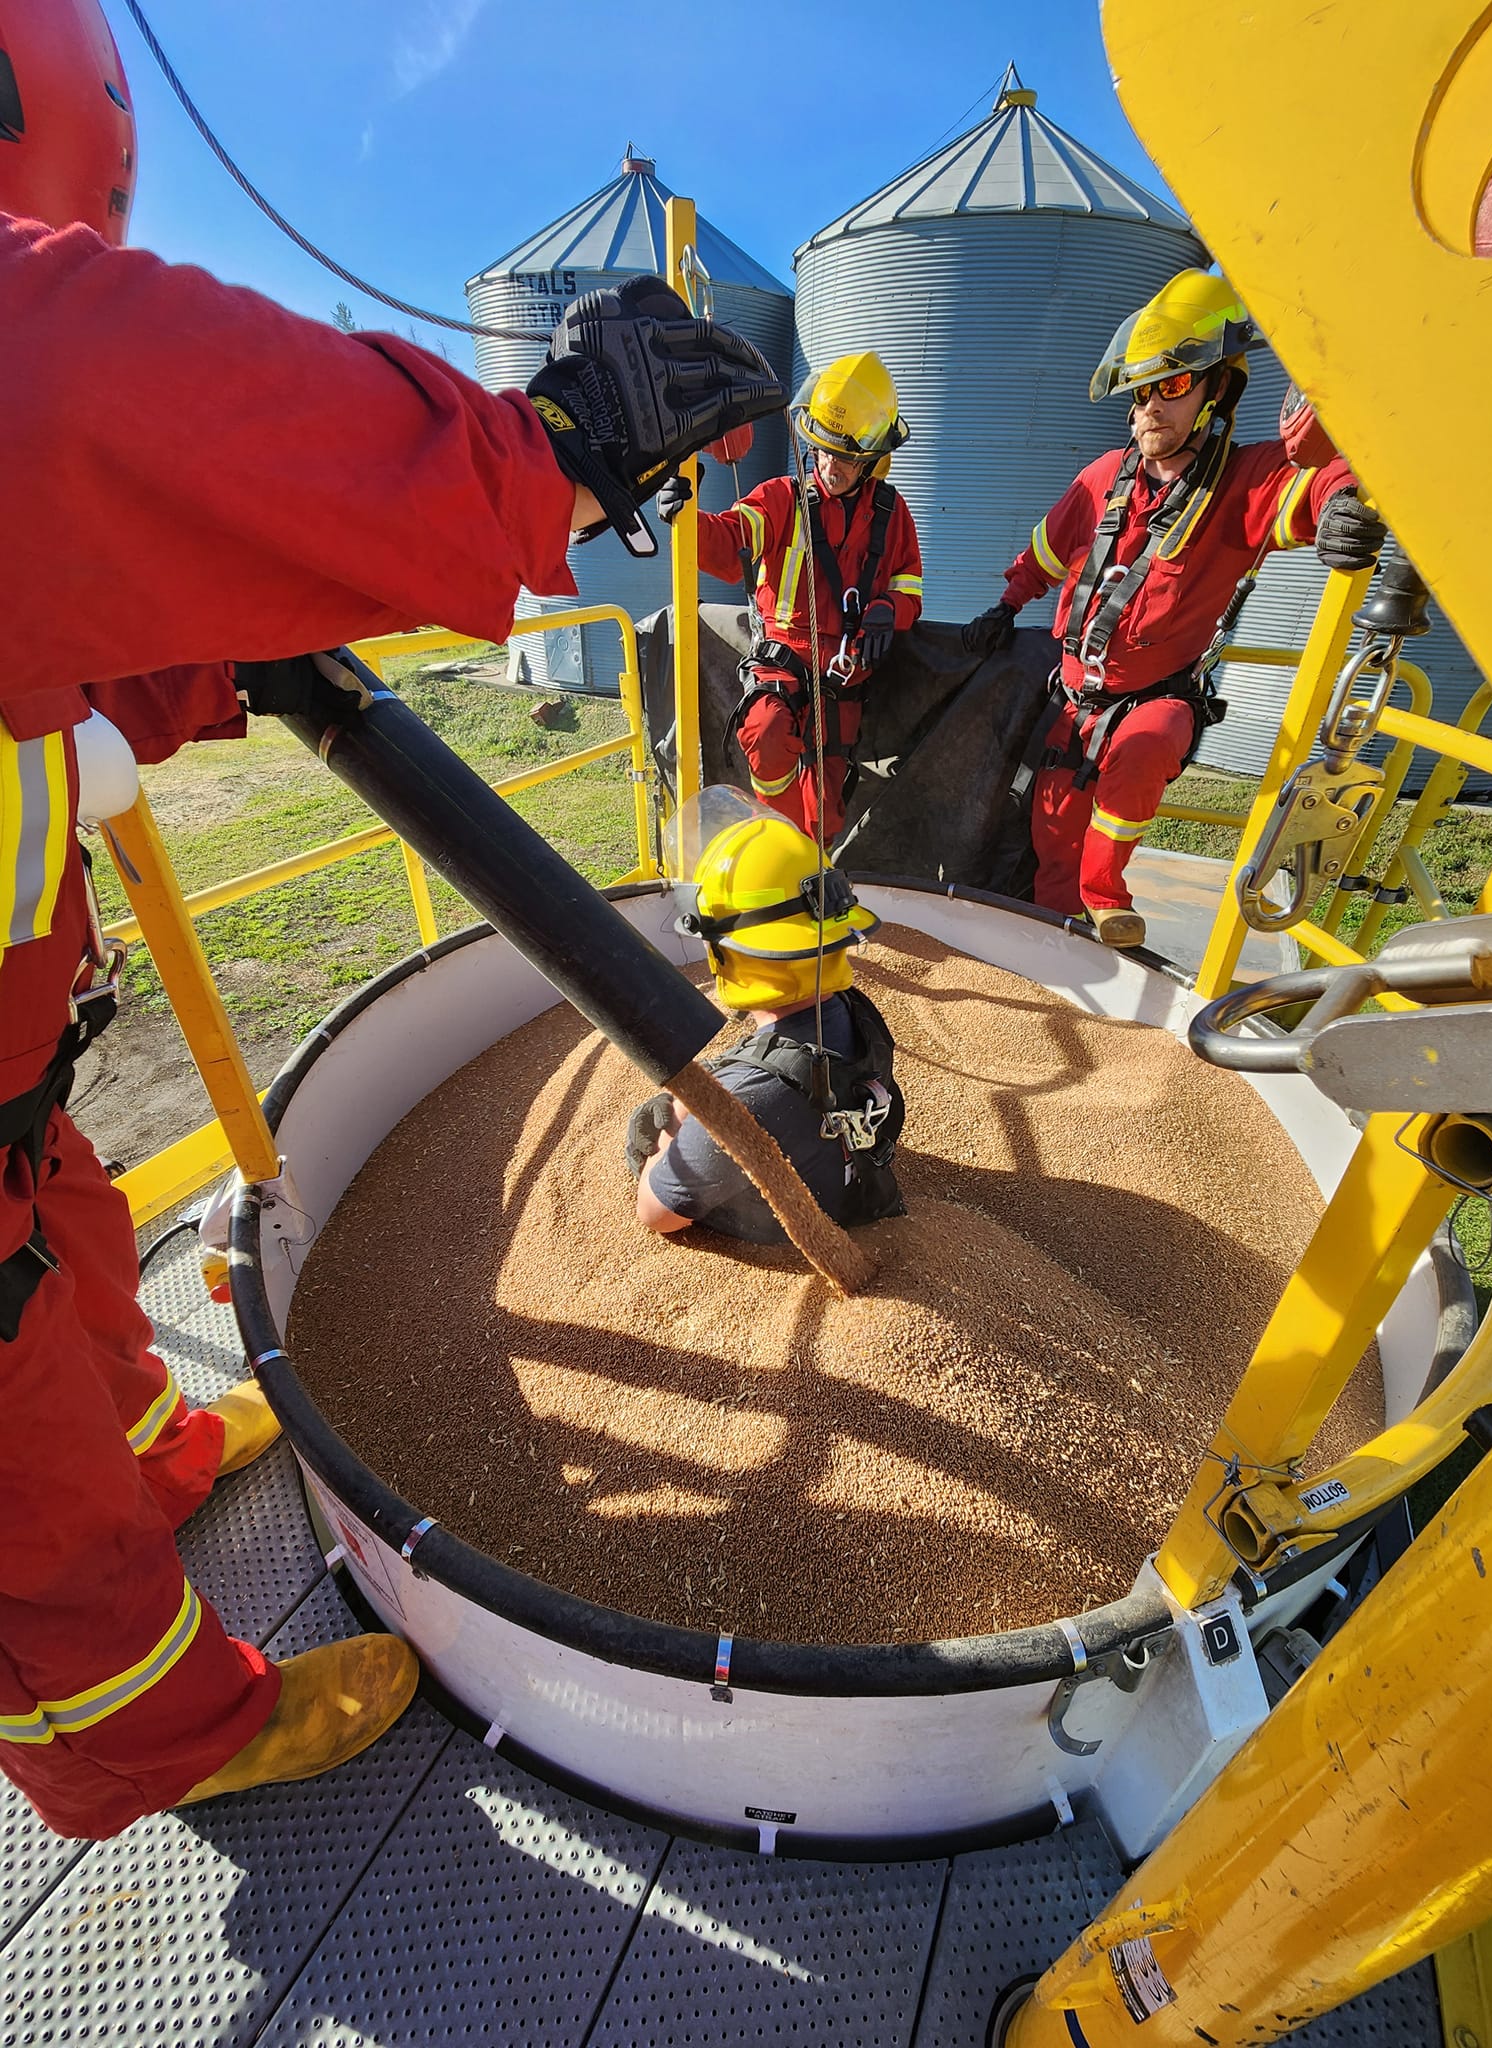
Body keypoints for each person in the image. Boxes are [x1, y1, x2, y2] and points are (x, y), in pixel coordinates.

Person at [0, 0, 784, 1841]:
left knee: (73, 1275)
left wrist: (233, 648)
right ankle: (154, 1738)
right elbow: (108, 395)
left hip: (18, 1093)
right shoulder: (30, 345)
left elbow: (62, 671)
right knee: (19, 1483)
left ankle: (156, 1455)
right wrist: (555, 452)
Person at [962, 270, 1388, 948]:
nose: (1148, 412)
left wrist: (1340, 505)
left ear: (1217, 388)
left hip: (1155, 698)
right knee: (1052, 822)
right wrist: (1006, 605)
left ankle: (1105, 901)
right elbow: (1045, 554)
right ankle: (1058, 930)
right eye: (1139, 396)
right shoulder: (1101, 478)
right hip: (1075, 696)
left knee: (1139, 752)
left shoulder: (1243, 480)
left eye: (1171, 387)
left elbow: (1312, 483)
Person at [658, 353, 923, 844]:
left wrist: (889, 611)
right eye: (821, 449)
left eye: (843, 455)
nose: (828, 463)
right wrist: (685, 514)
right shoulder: (782, 497)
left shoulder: (892, 512)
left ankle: (813, 859)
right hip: (785, 655)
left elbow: (908, 582)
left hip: (845, 668)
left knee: (827, 796)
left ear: (872, 457)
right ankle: (779, 839)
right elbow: (728, 542)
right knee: (765, 730)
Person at [628, 796, 904, 1241]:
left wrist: (668, 1139)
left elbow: (655, 1213)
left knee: (644, 1130)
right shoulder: (856, 1012)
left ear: (726, 951)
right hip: (851, 1174)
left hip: (793, 1222)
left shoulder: (750, 1097)